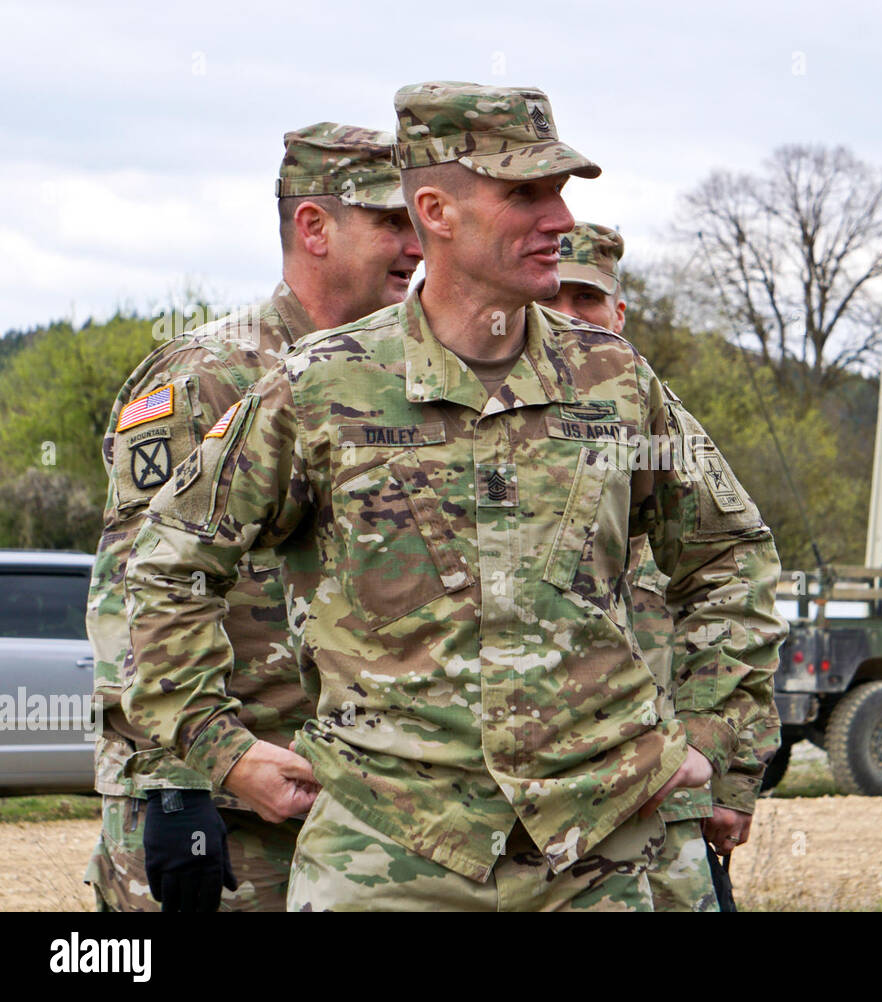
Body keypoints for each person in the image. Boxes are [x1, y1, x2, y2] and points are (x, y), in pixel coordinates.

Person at [121, 81, 786, 912]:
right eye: (525, 194)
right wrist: (220, 751)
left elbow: (732, 558)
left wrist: (714, 734)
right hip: (391, 853)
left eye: (561, 193)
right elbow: (164, 569)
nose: (560, 220)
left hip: (608, 848)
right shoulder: (324, 388)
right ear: (434, 209)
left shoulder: (616, 383)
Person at [84, 122, 420, 911]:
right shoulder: (211, 374)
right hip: (228, 802)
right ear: (314, 227)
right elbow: (130, 587)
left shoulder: (399, 380)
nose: (416, 247)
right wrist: (176, 784)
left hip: (355, 804)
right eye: (390, 222)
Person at [540, 222, 782, 911]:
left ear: (618, 314)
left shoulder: (658, 436)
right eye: (552, 296)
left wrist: (731, 780)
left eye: (586, 300)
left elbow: (737, 597)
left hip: (668, 797)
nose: (568, 316)